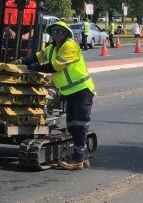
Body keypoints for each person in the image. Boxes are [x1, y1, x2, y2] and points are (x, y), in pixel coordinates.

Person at [18, 21, 95, 171]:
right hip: (70, 92)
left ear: (66, 33)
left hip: (82, 90)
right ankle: (83, 158)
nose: (57, 34)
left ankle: (78, 160)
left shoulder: (70, 46)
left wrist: (36, 68)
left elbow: (56, 66)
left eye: (60, 31)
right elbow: (38, 56)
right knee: (72, 126)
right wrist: (22, 61)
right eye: (55, 31)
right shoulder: (52, 48)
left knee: (79, 125)